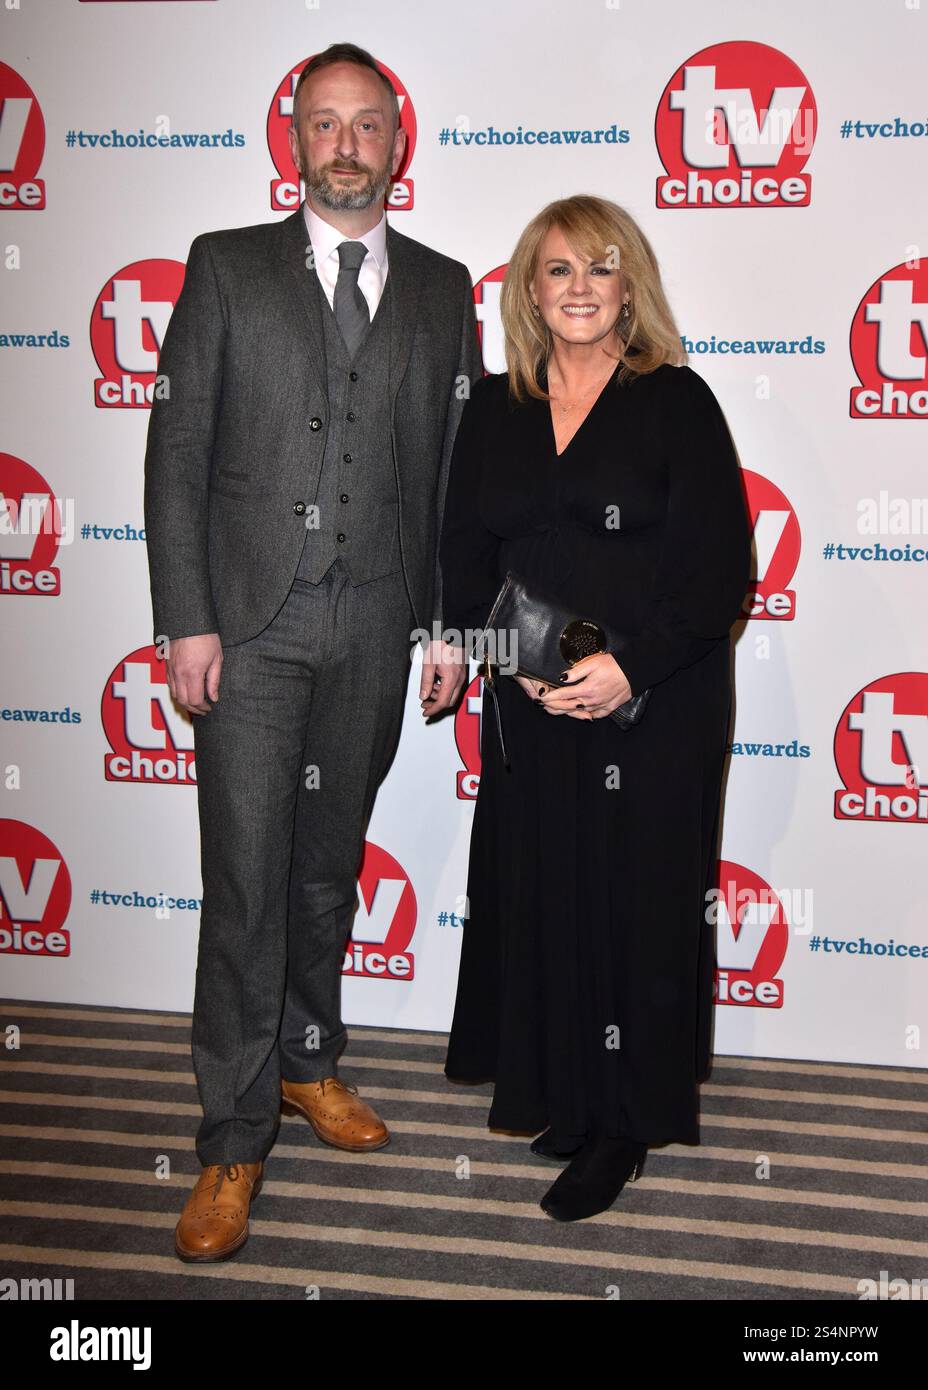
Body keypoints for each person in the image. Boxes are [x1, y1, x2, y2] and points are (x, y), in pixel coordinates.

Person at [144, 42, 480, 1262]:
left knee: (327, 869)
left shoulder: (446, 290)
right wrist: (185, 615)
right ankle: (232, 1138)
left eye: (368, 124)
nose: (346, 143)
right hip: (252, 627)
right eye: (324, 123)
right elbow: (176, 455)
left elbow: (455, 482)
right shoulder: (224, 269)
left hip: (380, 625)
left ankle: (305, 1062)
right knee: (244, 877)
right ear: (292, 142)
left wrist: (448, 623)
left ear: (399, 143)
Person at [438, 194, 752, 1222]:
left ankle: (624, 1121)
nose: (578, 287)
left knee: (635, 902)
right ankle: (567, 1092)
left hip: (651, 705)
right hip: (531, 701)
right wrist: (505, 657)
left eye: (599, 268)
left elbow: (718, 579)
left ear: (631, 286)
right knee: (546, 893)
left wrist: (628, 669)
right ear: (529, 289)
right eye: (557, 269)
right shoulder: (495, 406)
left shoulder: (676, 400)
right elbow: (464, 555)